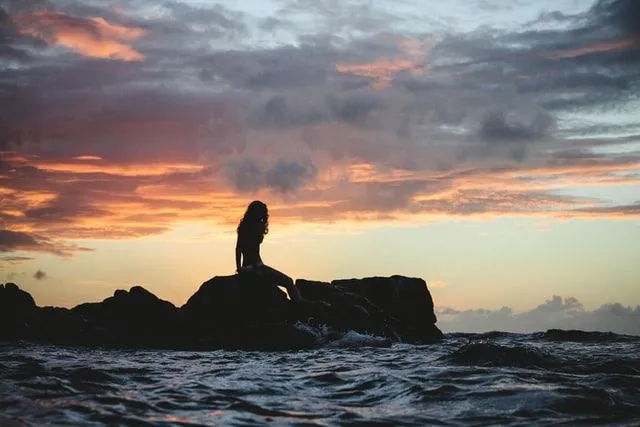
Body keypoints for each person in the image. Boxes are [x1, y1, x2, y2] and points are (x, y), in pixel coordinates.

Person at [235, 200, 303, 302]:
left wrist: (239, 268)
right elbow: (239, 248)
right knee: (288, 281)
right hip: (257, 267)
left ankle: (299, 304)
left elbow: (238, 249)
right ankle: (300, 305)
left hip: (248, 266)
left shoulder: (244, 227)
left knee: (286, 282)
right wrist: (241, 269)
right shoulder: (257, 226)